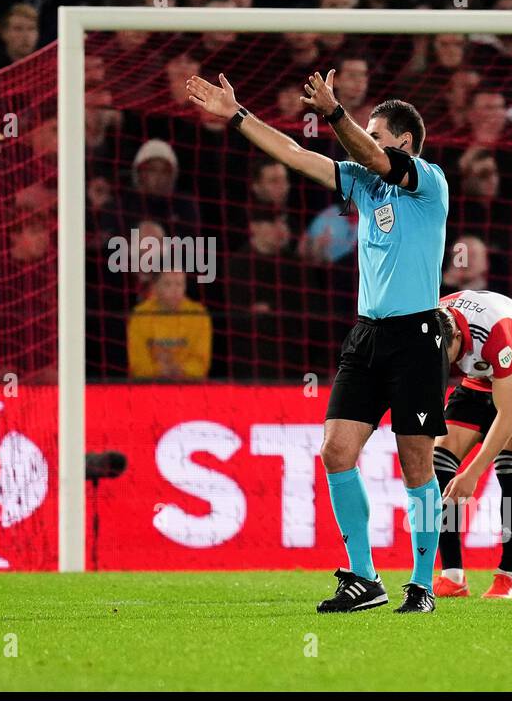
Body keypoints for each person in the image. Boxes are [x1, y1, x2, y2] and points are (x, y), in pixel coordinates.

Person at [187, 68, 448, 615]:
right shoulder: (361, 181)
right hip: (367, 335)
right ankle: (363, 578)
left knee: (416, 464)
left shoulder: (429, 181)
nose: (369, 144)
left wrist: (334, 112)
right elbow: (294, 155)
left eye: (378, 135)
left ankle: (423, 583)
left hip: (417, 336)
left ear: (404, 142)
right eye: (368, 134)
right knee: (335, 451)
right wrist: (237, 116)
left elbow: (375, 159)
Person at [433, 289, 512, 600]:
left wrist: (472, 474)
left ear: (459, 340)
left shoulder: (494, 332)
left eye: (447, 358)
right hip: (479, 376)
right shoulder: (431, 322)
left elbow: (506, 416)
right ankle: (452, 576)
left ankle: (508, 577)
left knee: (508, 463)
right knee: (439, 462)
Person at [127, 269, 211, 379]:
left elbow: (201, 364)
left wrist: (179, 369)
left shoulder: (199, 314)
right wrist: (160, 370)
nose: (175, 290)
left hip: (189, 386)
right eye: (168, 284)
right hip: (148, 386)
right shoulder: (140, 315)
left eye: (179, 284)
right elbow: (137, 365)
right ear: (155, 288)